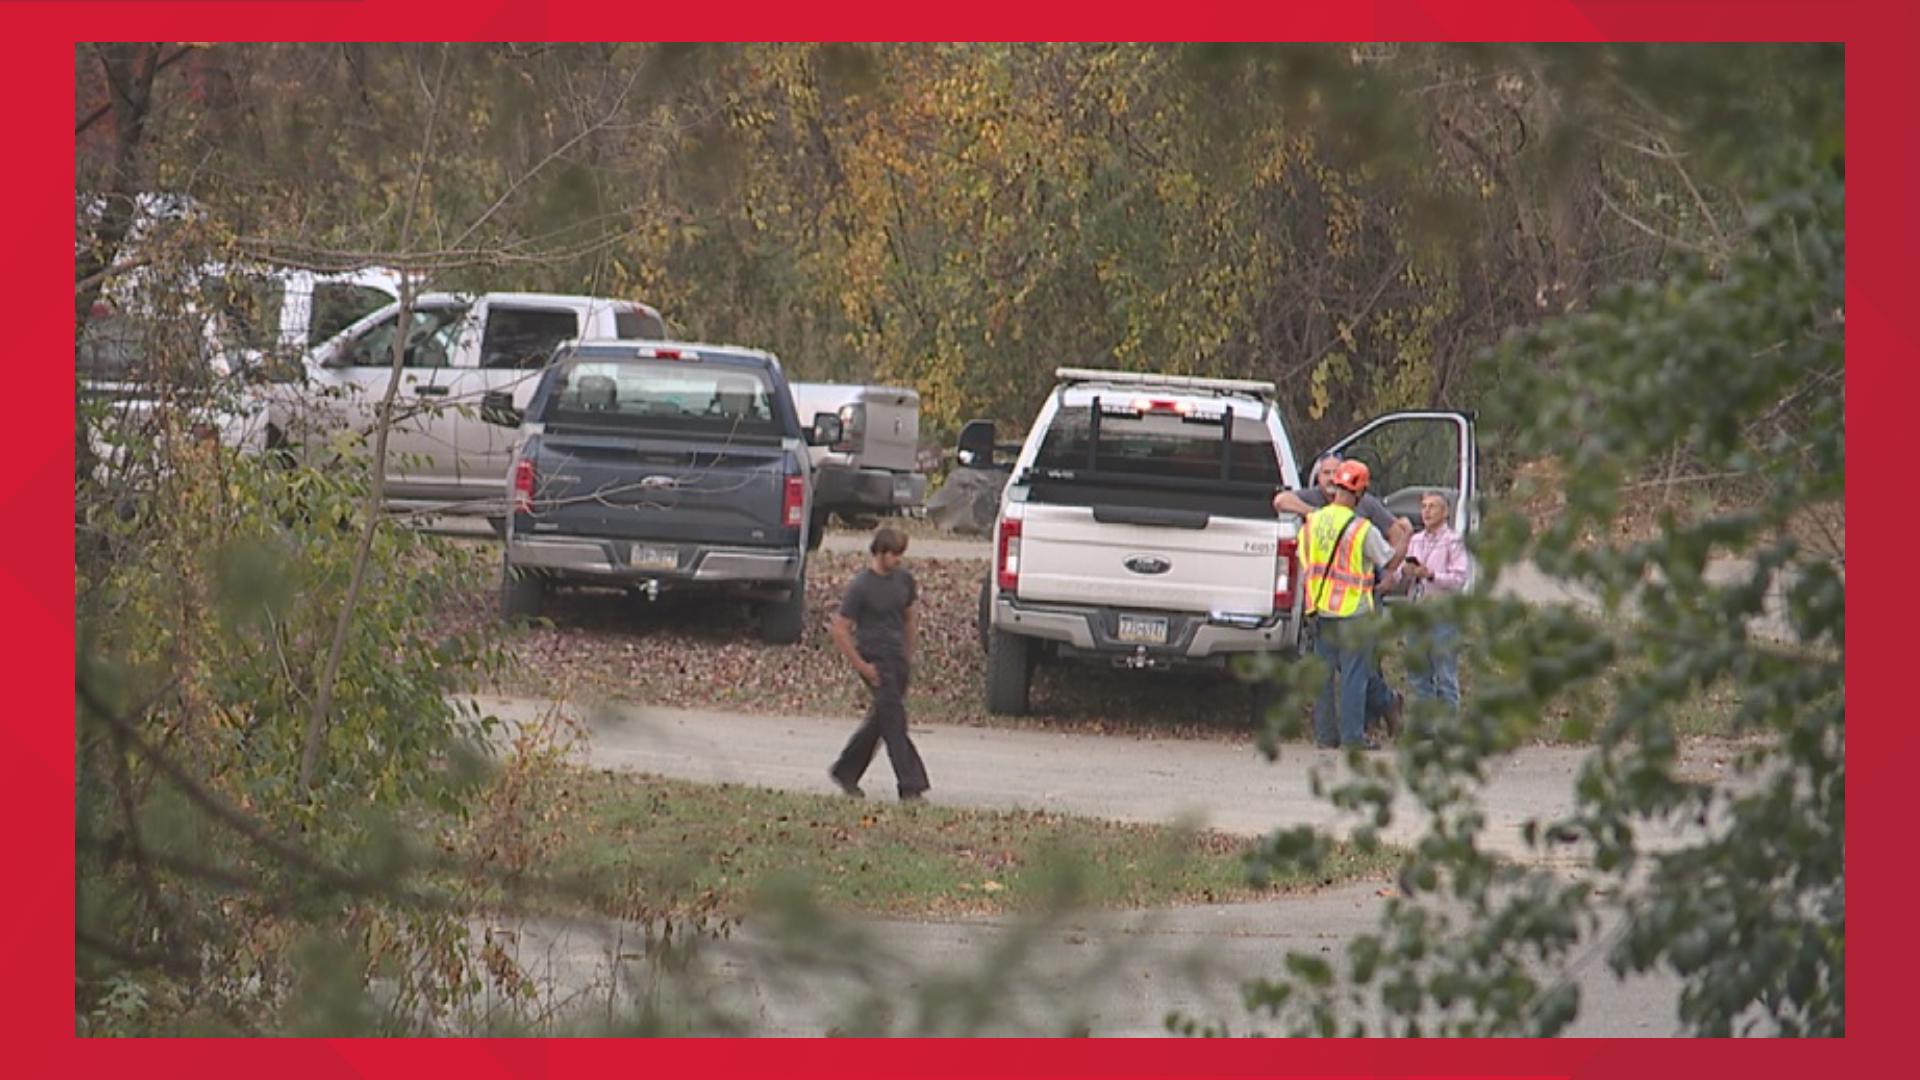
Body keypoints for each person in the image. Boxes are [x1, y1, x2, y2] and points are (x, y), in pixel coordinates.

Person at [1275, 452, 1408, 737]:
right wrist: (1405, 538)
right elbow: (1390, 560)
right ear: (1360, 493)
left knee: (1323, 677)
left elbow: (1305, 558)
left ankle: (1325, 736)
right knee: (1354, 677)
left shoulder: (1313, 522)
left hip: (1321, 609)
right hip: (1355, 611)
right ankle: (1353, 737)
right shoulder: (1361, 528)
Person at [827, 526, 931, 801]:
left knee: (882, 721)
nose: (898, 560)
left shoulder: (904, 581)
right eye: (894, 554)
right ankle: (911, 786)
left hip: (897, 660)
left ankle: (845, 772)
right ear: (880, 553)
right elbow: (840, 629)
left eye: (901, 554)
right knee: (895, 722)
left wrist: (908, 656)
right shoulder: (861, 586)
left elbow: (910, 617)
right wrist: (862, 666)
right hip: (875, 659)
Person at [1398, 491, 1469, 711]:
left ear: (1445, 512)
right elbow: (1402, 572)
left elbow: (1459, 578)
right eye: (1424, 507)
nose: (1426, 512)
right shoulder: (1416, 540)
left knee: (1445, 675)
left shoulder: (1453, 541)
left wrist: (1431, 575)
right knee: (1419, 676)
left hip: (1443, 614)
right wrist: (1407, 570)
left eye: (1432, 507)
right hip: (1417, 612)